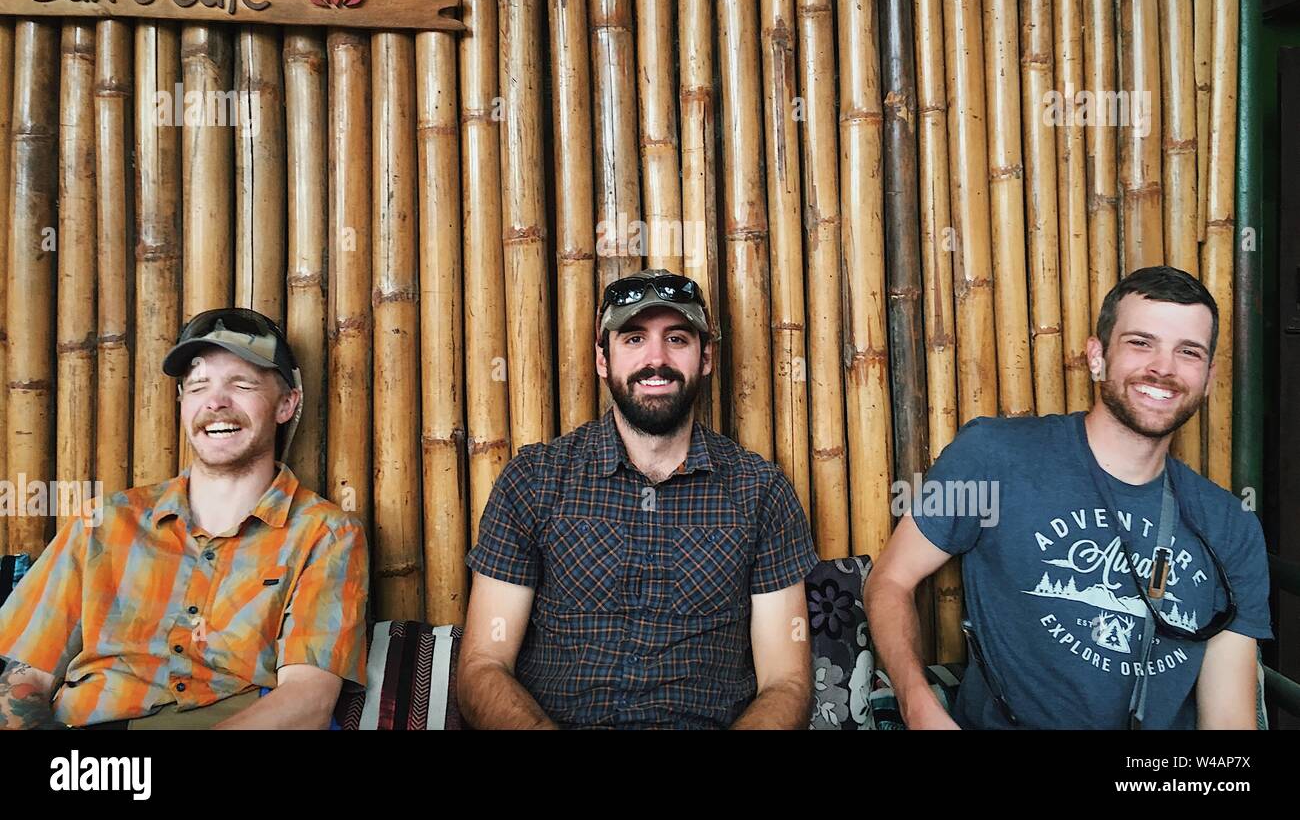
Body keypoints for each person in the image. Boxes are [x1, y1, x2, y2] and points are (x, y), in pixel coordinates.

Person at [867, 266, 1272, 730]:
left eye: (1189, 352)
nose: (1164, 367)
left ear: (1208, 377)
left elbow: (1229, 720)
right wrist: (917, 703)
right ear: (1097, 357)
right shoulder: (991, 455)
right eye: (1141, 343)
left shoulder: (1230, 525)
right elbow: (890, 580)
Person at [458, 269, 819, 729]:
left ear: (705, 357)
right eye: (633, 339)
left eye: (676, 338)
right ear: (603, 360)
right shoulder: (534, 482)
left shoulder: (760, 492)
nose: (656, 359)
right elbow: (483, 665)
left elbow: (786, 682)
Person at [0, 307, 369, 729]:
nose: (215, 401)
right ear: (182, 404)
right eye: (198, 386)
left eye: (241, 383)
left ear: (286, 404)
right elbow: (23, 678)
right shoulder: (101, 523)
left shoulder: (325, 535)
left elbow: (307, 703)